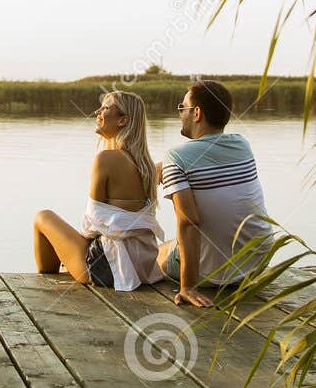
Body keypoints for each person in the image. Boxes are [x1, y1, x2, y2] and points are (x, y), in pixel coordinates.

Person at [156, 79, 276, 306]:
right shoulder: (242, 145)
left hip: (211, 273)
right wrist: (161, 170)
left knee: (154, 254)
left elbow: (189, 221)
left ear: (197, 113)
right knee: (173, 242)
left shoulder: (177, 156)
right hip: (255, 265)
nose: (180, 113)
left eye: (183, 108)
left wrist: (187, 287)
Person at [33, 91, 165, 290]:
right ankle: (64, 267)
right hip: (141, 266)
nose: (98, 112)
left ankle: (46, 279)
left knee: (43, 217)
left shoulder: (106, 159)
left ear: (122, 120)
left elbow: (91, 224)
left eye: (105, 108)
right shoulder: (145, 164)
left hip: (107, 268)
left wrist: (70, 249)